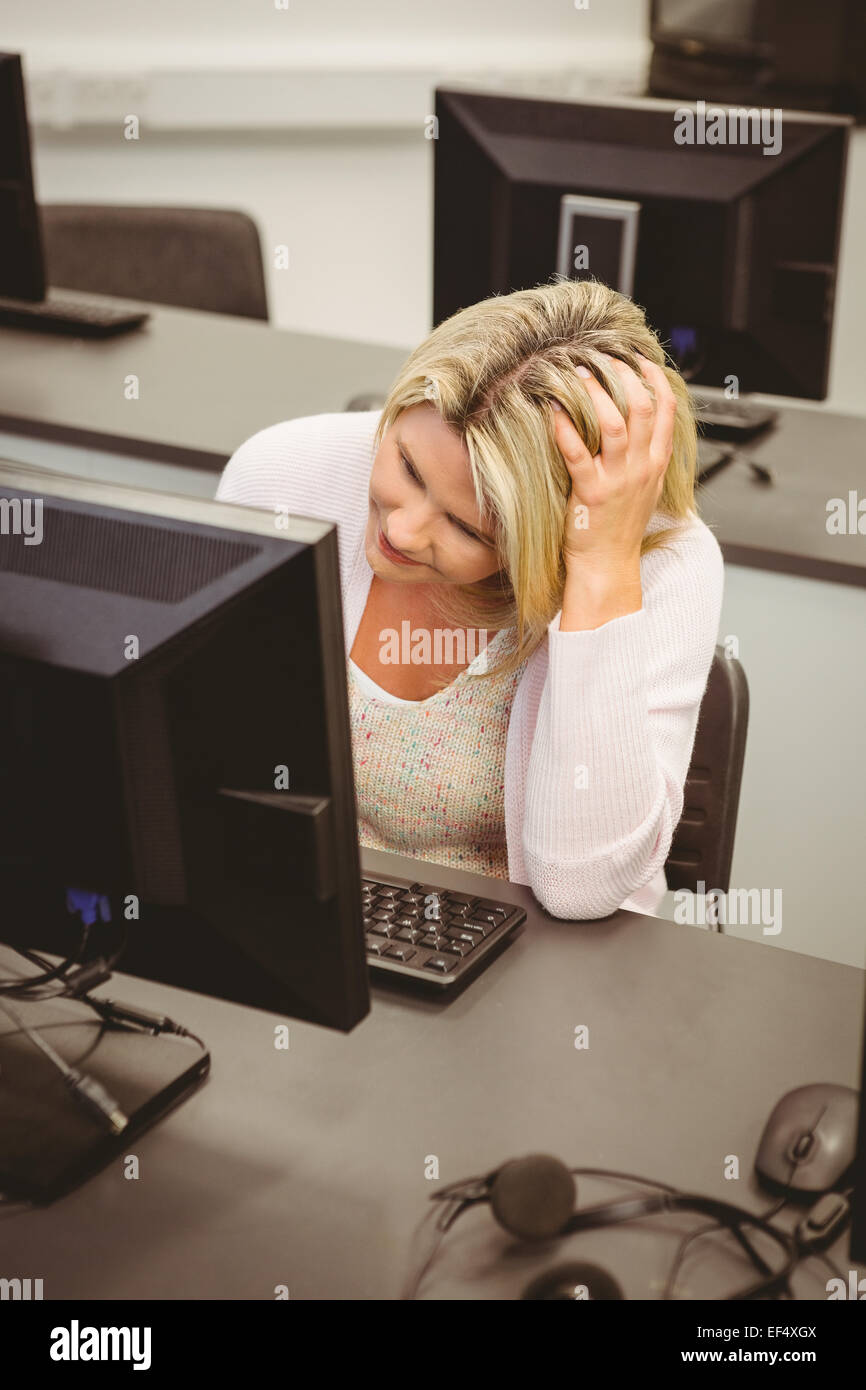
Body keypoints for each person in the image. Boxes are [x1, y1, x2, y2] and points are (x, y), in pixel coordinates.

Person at [215, 277, 724, 920]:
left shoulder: (662, 565)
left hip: (529, 964)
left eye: (466, 528)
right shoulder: (284, 473)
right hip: (308, 916)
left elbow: (581, 889)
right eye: (406, 466)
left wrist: (600, 571)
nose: (401, 530)